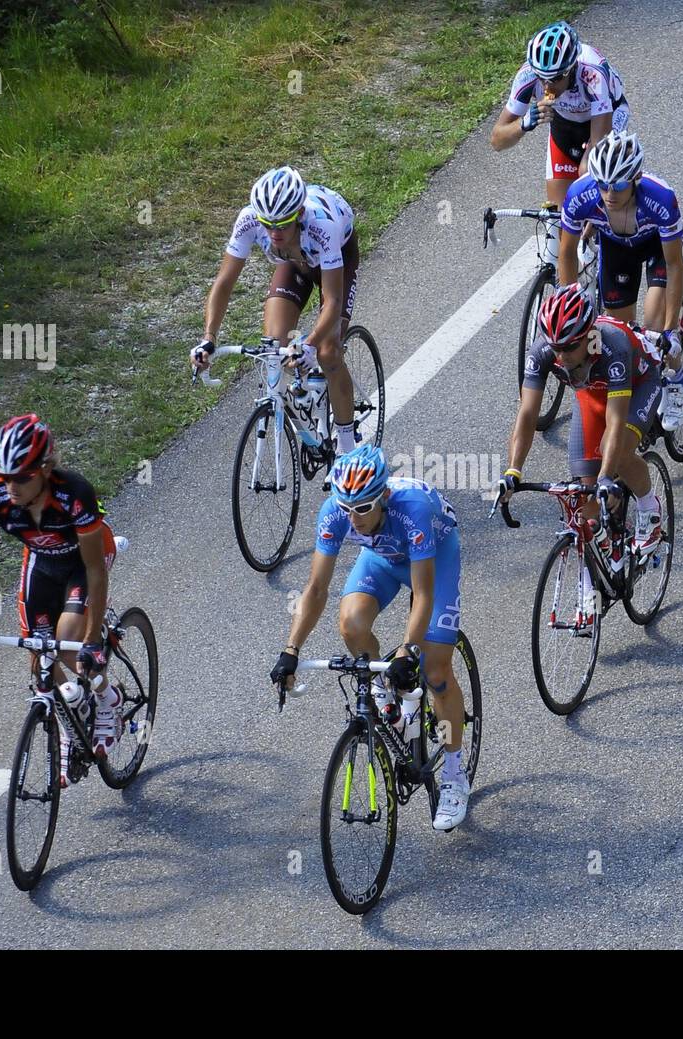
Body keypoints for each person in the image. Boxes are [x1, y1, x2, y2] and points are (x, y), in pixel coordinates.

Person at [269, 445, 471, 830]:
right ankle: (389, 694)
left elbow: (423, 594)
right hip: (381, 557)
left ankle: (454, 775)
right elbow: (315, 589)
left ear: (383, 497)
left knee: (436, 670)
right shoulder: (338, 513)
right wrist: (291, 648)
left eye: (363, 508)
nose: (354, 517)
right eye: (347, 508)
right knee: (351, 624)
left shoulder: (411, 510)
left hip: (432, 556)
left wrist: (409, 651)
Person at [0, 415, 120, 781]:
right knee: (39, 653)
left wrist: (93, 641)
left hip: (84, 562)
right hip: (43, 562)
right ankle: (69, 721)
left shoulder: (74, 493)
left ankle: (108, 698)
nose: (11, 486)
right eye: (4, 476)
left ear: (45, 469)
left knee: (69, 643)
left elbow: (95, 568)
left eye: (22, 477)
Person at [496, 284, 664, 628]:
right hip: (591, 395)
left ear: (588, 335)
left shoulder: (612, 345)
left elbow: (616, 421)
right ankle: (592, 584)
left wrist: (606, 477)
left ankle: (650, 508)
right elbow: (527, 414)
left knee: (614, 454)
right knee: (582, 502)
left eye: (570, 346)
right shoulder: (545, 350)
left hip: (639, 383)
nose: (562, 355)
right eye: (556, 347)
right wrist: (513, 470)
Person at [190, 166, 364, 454]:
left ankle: (348, 449)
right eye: (267, 225)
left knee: (328, 351)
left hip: (336, 260)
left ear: (298, 215)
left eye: (282, 225)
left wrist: (309, 344)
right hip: (293, 262)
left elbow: (332, 301)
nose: (273, 232)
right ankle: (308, 392)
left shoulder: (322, 227)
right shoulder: (249, 221)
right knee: (274, 347)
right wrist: (209, 337)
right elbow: (223, 283)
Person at [558, 130, 683, 430]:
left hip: (657, 246)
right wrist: (570, 303)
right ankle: (636, 394)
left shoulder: (660, 198)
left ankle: (678, 377)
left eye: (618, 185)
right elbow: (565, 253)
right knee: (622, 337)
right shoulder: (581, 194)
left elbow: (673, 266)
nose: (610, 194)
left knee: (655, 331)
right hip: (617, 250)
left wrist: (671, 330)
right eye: (603, 185)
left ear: (635, 178)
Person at [489, 20, 629, 260]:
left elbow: (596, 144)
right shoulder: (528, 76)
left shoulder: (591, 73)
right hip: (564, 126)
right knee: (560, 222)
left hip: (606, 118)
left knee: (594, 189)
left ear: (571, 69)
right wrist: (523, 124)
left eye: (553, 79)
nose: (546, 86)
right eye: (541, 78)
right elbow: (497, 140)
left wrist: (592, 202)